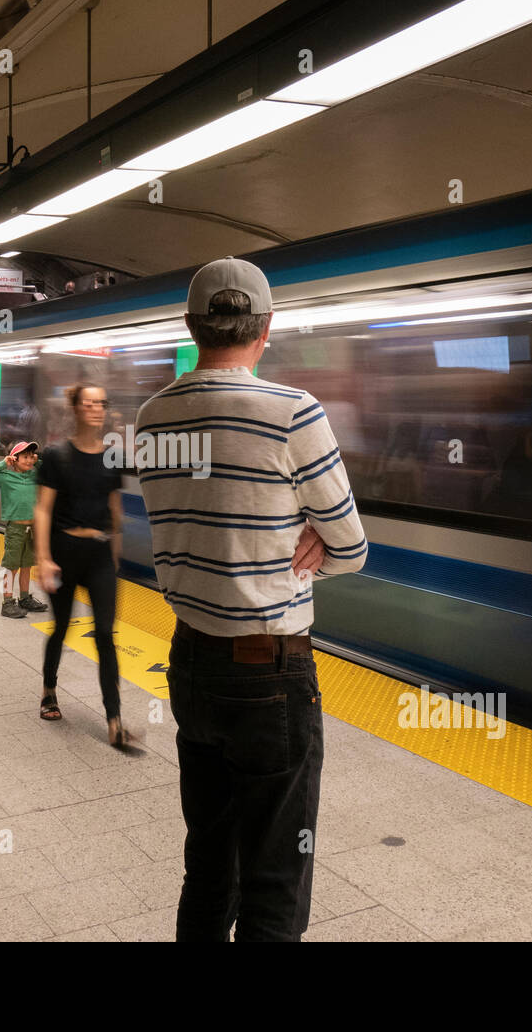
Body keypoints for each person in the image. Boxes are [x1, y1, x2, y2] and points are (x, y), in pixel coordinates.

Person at [134, 257, 368, 942]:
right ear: (266, 328)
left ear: (191, 325)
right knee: (274, 877)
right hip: (270, 672)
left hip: (189, 664)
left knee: (209, 864)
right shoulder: (293, 413)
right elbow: (351, 547)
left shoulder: (152, 418)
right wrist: (304, 546)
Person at [33, 385, 128, 740]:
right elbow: (42, 509)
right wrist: (43, 559)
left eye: (101, 403)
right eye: (88, 403)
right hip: (64, 552)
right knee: (61, 627)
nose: (96, 409)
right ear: (74, 408)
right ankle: (49, 690)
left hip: (100, 554)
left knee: (105, 633)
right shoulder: (57, 455)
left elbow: (115, 508)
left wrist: (115, 557)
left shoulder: (112, 455)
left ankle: (114, 719)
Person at [0, 440, 48, 618]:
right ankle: (8, 602)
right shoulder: (6, 476)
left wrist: (38, 459)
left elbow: (48, 469)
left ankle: (24, 599)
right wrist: (4, 462)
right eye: (24, 457)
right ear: (15, 459)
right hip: (15, 530)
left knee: (26, 565)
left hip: (32, 529)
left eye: (31, 457)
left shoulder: (35, 476)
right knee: (11, 567)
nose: (28, 461)